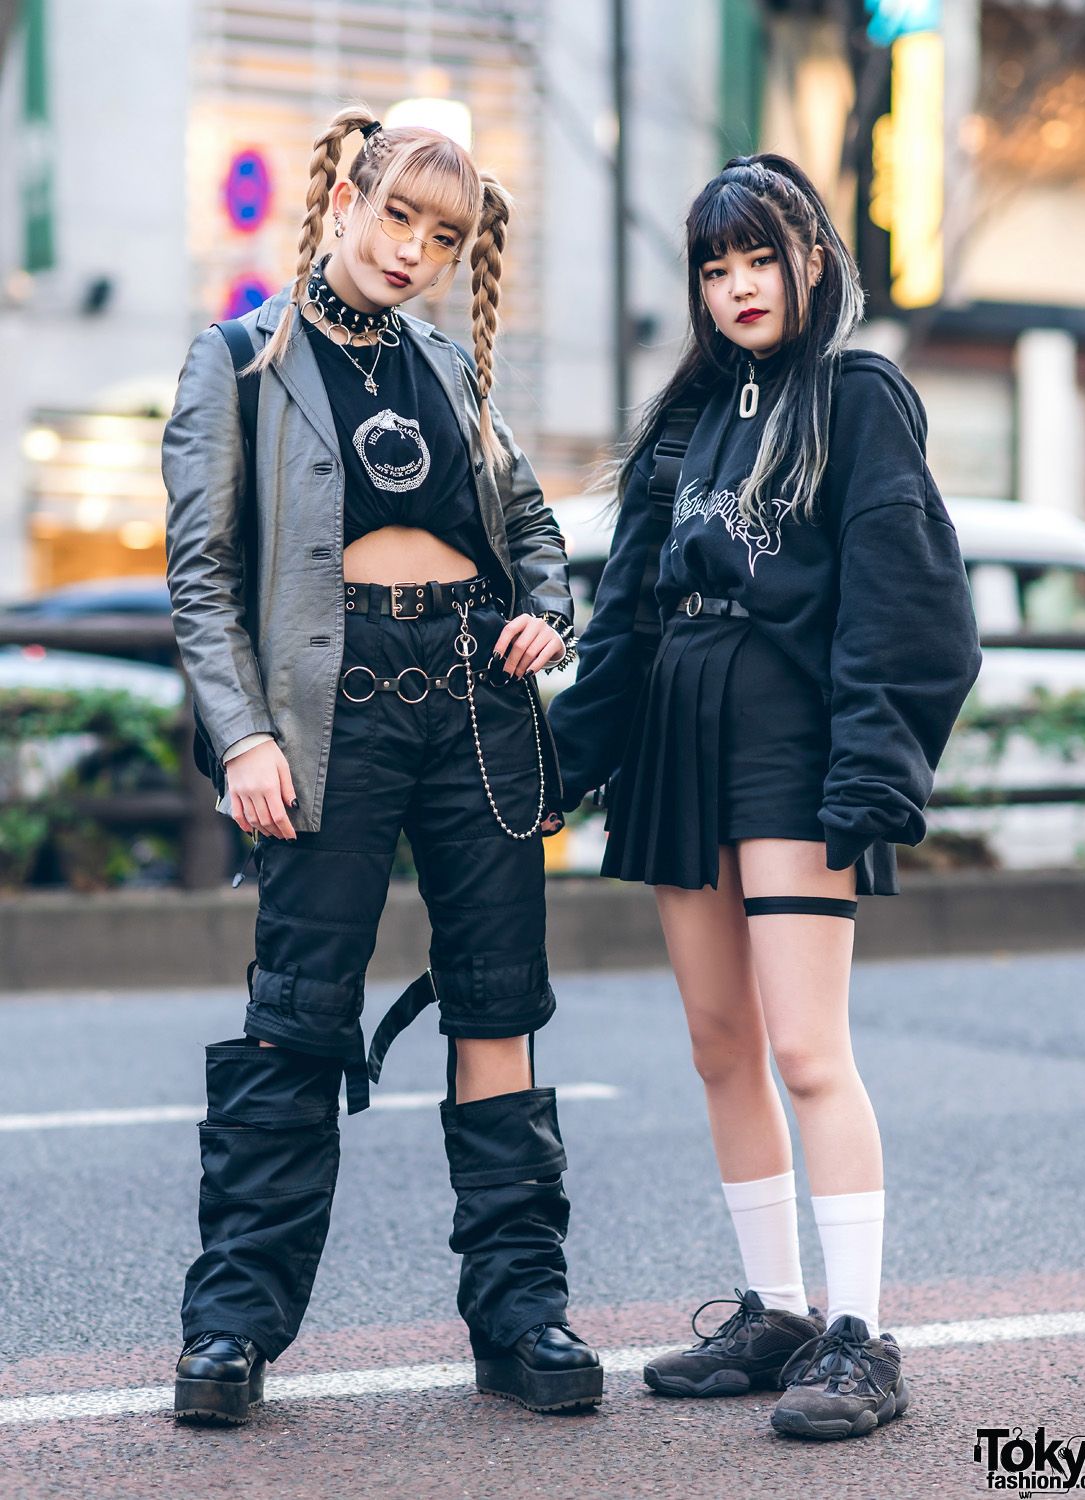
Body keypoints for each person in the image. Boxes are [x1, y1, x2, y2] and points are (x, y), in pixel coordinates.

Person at [163, 107, 601, 1424]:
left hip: (477, 698)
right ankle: (232, 1326)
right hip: (325, 712)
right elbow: (199, 577)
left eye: (444, 234)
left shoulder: (444, 362)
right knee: (296, 1009)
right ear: (344, 195)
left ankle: (521, 1315)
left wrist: (546, 609)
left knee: (498, 1002)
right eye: (397, 215)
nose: (413, 250)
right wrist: (241, 732)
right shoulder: (239, 359)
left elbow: (527, 516)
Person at [548, 153, 981, 1441]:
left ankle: (858, 1334)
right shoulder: (683, 419)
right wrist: (564, 769)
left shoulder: (857, 399)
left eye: (760, 257)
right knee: (720, 1045)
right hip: (682, 743)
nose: (739, 286)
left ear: (814, 259)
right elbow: (622, 610)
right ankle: (775, 1308)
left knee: (805, 1046)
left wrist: (871, 770)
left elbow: (906, 606)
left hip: (795, 748)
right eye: (715, 266)